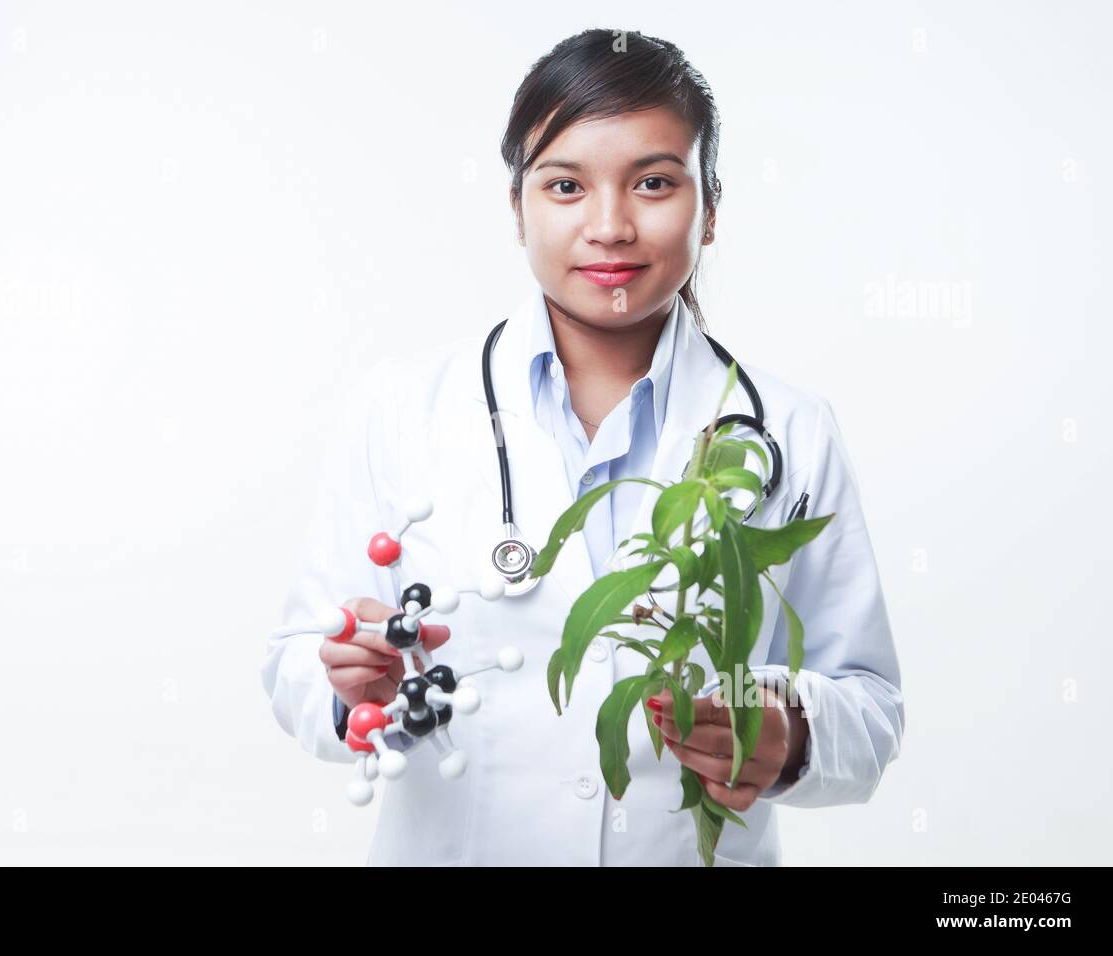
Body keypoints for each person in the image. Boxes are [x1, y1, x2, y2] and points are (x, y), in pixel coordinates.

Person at [262, 28, 904, 866]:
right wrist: (351, 688)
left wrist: (791, 730)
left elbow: (870, 703)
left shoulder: (790, 428)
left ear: (709, 210)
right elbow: (297, 666)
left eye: (653, 182)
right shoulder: (401, 408)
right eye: (565, 185)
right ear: (517, 208)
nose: (610, 226)